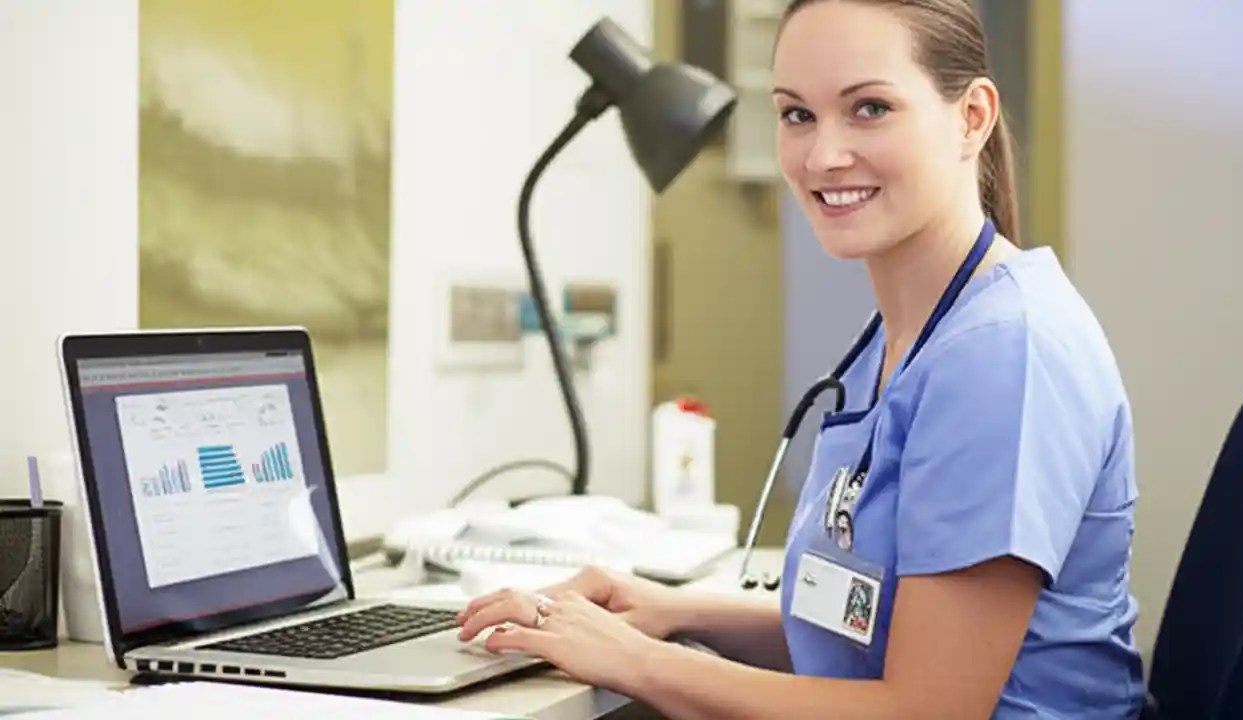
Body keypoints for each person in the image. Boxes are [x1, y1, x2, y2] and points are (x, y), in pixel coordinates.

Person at [456, 0, 1145, 716]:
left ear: (972, 117)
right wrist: (670, 610)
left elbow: (924, 709)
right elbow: (870, 636)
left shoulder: (1003, 353)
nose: (822, 156)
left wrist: (637, 661)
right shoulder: (910, 333)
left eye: (870, 108)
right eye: (797, 114)